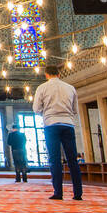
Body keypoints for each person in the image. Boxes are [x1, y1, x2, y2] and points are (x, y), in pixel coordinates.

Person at [32, 62, 83, 201]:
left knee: (54, 159)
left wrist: (46, 110)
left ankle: (58, 192)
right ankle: (78, 193)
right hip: (68, 124)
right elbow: (75, 110)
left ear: (46, 75)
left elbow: (36, 108)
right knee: (72, 159)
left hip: (51, 124)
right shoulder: (70, 88)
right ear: (59, 74)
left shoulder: (42, 88)